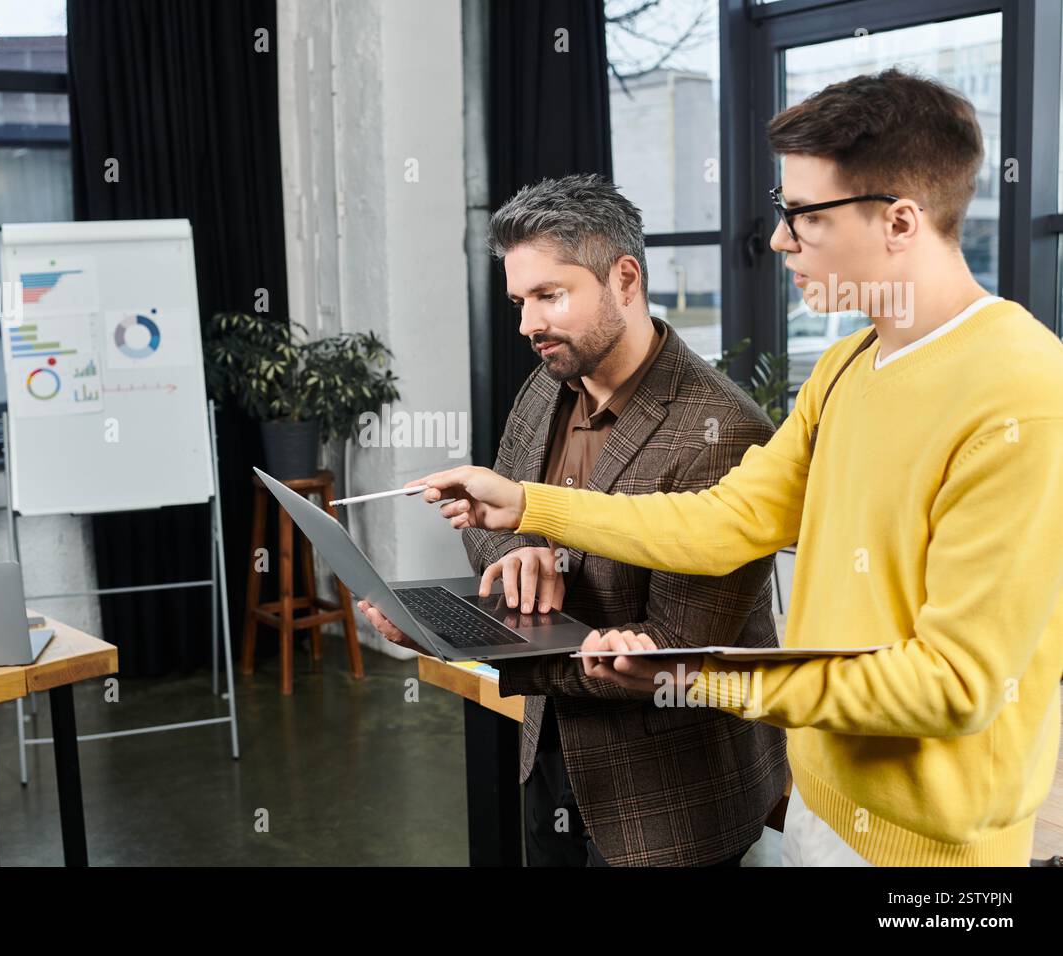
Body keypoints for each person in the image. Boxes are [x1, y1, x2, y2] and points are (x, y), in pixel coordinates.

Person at [411, 69, 1063, 866]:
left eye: (803, 215)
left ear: (899, 221)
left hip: (933, 851)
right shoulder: (848, 365)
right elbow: (730, 520)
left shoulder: (1025, 394)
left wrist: (700, 675)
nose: (781, 238)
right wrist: (529, 505)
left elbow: (951, 686)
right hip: (818, 807)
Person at [360, 173, 786, 866]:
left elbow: (676, 655)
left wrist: (459, 637)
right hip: (547, 753)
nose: (528, 325)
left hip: (668, 801)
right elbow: (488, 514)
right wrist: (515, 552)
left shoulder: (725, 431)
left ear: (624, 279)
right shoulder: (550, 377)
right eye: (519, 301)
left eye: (549, 296)